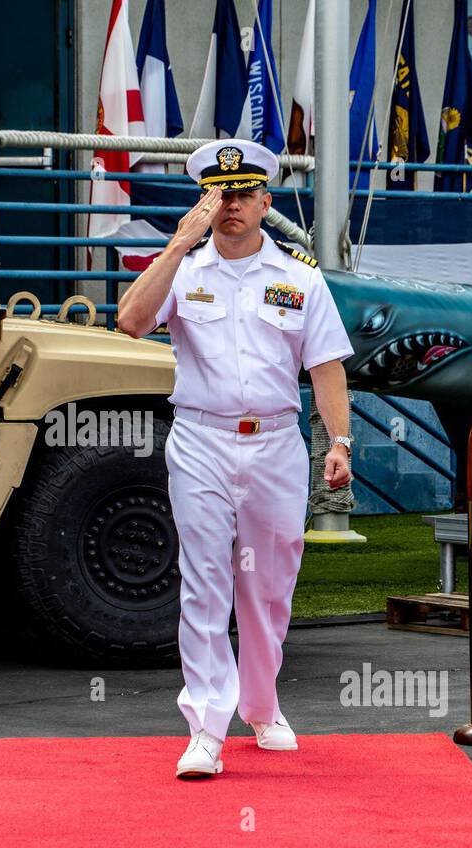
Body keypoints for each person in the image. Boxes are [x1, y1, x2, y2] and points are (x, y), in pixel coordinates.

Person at [116, 139, 354, 779]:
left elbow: (326, 365)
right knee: (204, 582)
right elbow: (131, 321)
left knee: (270, 585)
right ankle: (205, 727)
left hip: (275, 441)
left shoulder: (300, 276)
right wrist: (174, 245)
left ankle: (262, 703)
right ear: (205, 203)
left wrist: (339, 440)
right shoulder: (185, 271)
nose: (232, 207)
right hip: (201, 439)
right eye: (220, 196)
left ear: (266, 202)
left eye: (245, 194)